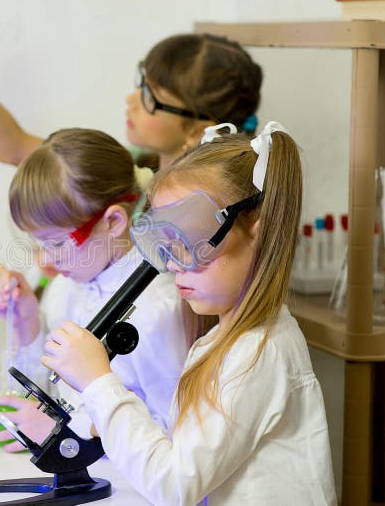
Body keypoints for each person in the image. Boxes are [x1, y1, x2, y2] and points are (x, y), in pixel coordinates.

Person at [40, 123, 337, 505]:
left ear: (257, 234)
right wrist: (98, 419)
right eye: (166, 243)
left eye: (192, 243)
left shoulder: (260, 353)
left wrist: (100, 382)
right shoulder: (224, 341)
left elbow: (175, 485)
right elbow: (180, 454)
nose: (176, 264)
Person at [0, 127, 196, 452]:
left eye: (56, 242)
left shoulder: (159, 309)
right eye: (37, 242)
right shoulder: (68, 286)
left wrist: (68, 430)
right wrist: (26, 320)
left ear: (113, 222)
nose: (46, 257)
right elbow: (54, 389)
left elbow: (173, 433)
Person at [0, 11, 262, 170]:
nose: (131, 100)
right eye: (141, 84)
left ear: (198, 129)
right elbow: (15, 147)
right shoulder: (132, 172)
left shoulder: (202, 213)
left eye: (151, 97)